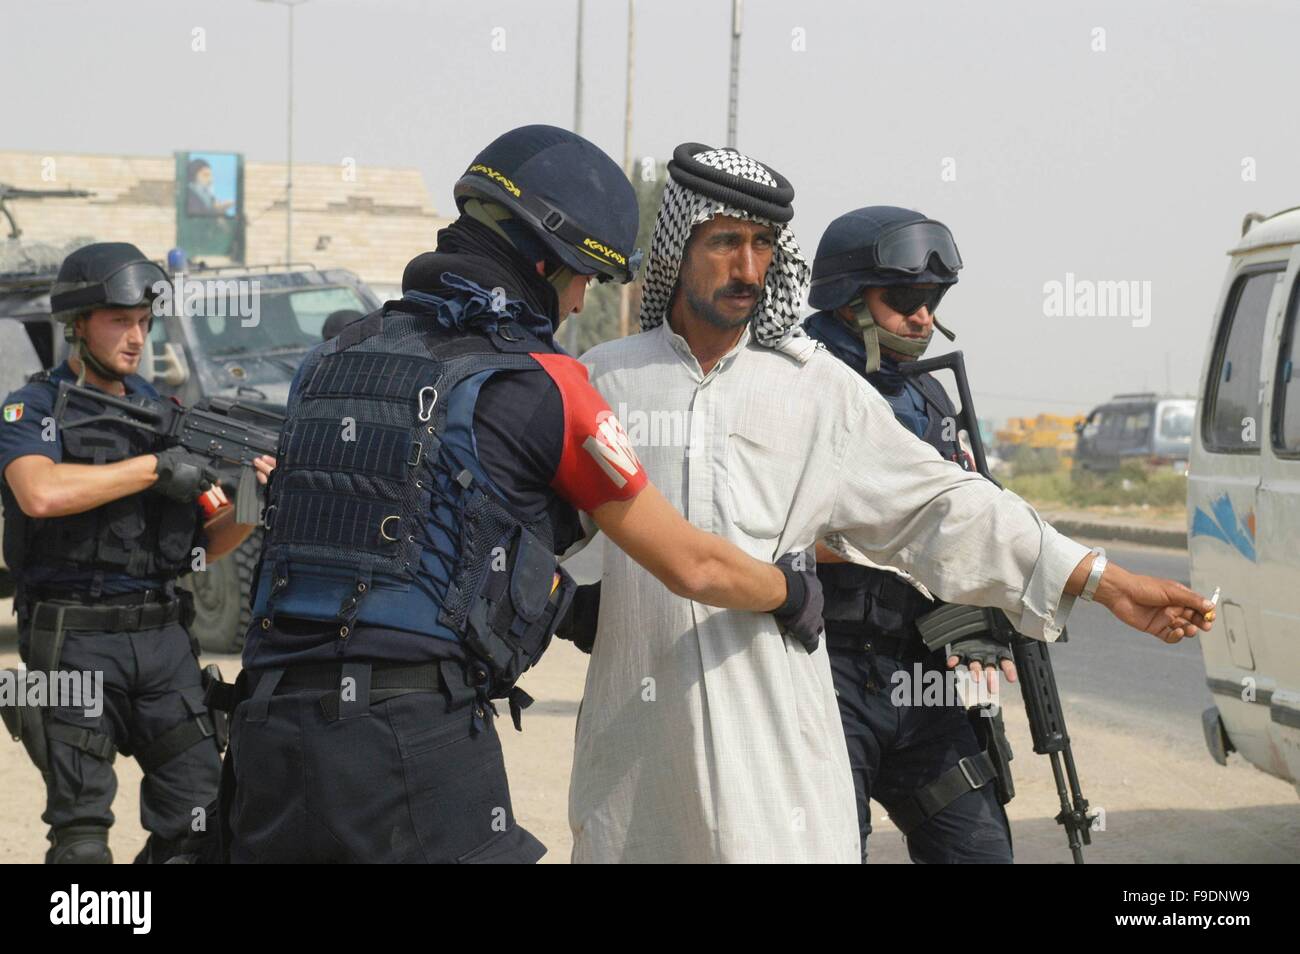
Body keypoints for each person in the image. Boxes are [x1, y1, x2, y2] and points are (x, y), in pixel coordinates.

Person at [569, 142, 1215, 863]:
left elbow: (946, 506)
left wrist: (1105, 580)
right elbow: (556, 548)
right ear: (677, 249)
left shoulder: (813, 388)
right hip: (640, 743)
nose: (748, 269)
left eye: (762, 246)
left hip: (778, 726)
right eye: (724, 243)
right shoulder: (604, 382)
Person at [223, 125, 825, 864]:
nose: (577, 302)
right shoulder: (547, 383)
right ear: (545, 259)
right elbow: (691, 566)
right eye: (582, 277)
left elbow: (402, 534)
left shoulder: (332, 359)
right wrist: (786, 592)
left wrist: (567, 605)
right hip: (406, 738)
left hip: (264, 735)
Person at [0, 242, 272, 863]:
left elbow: (211, 539)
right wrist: (151, 469)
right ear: (76, 325)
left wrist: (258, 495)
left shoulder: (164, 413)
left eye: (145, 323)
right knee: (82, 838)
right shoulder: (33, 407)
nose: (136, 338)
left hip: (163, 645)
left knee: (203, 826)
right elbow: (39, 493)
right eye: (120, 321)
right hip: (74, 639)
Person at [804, 205, 1015, 862]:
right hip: (820, 674)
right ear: (845, 298)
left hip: (920, 678)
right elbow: (759, 529)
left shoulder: (931, 400)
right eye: (904, 299)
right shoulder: (790, 386)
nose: (923, 317)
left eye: (933, 300)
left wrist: (982, 608)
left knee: (980, 852)